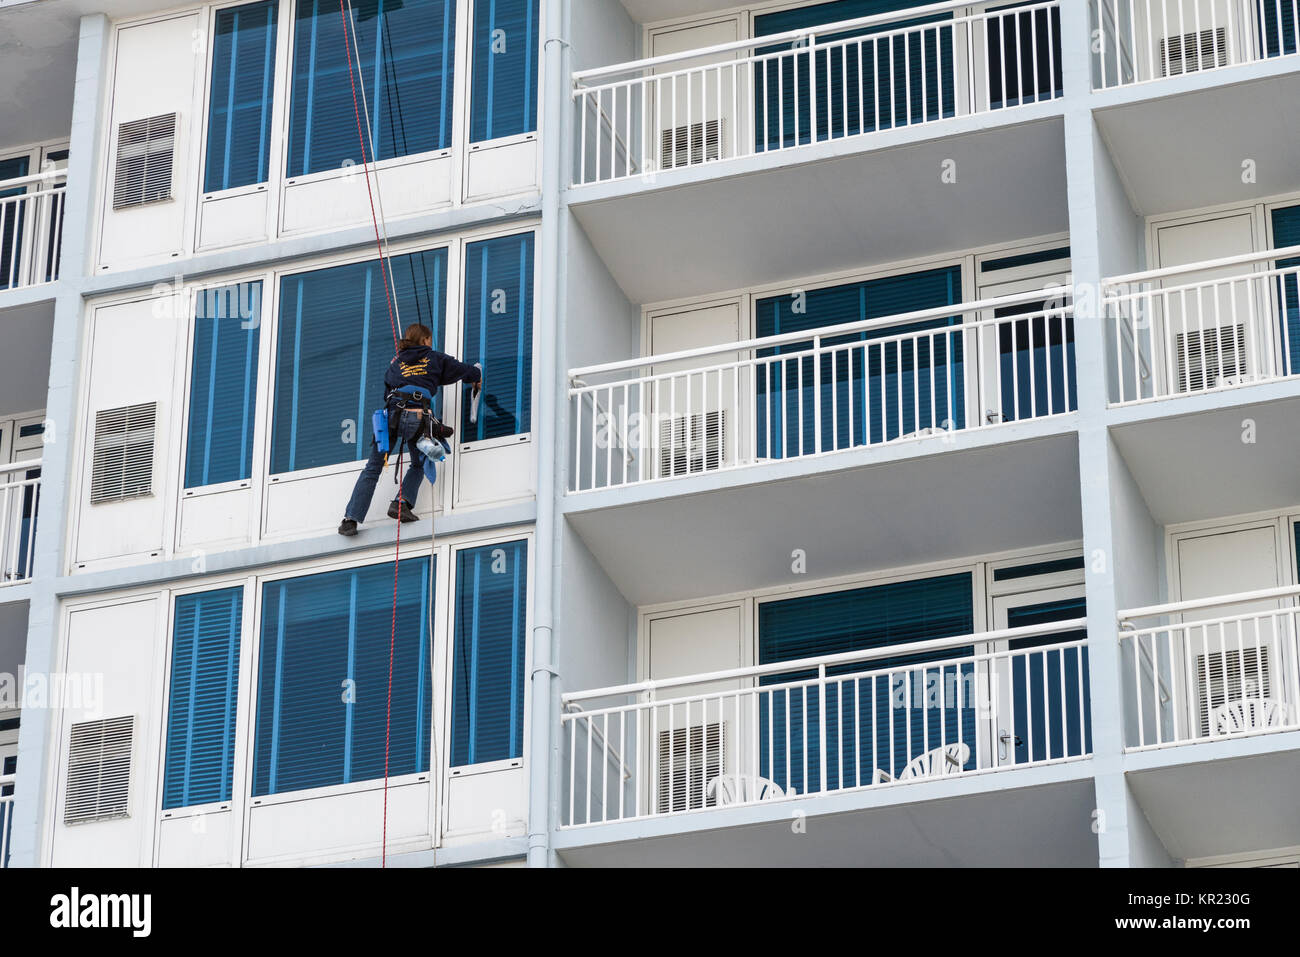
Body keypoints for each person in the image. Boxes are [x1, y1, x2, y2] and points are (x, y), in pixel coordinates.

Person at [338, 323, 482, 536]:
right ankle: (402, 503)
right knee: (421, 462)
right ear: (425, 340)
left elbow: (388, 386)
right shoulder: (434, 358)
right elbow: (462, 370)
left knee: (373, 468)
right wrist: (477, 377)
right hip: (417, 417)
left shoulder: (396, 362)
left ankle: (350, 520)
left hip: (391, 416)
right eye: (429, 340)